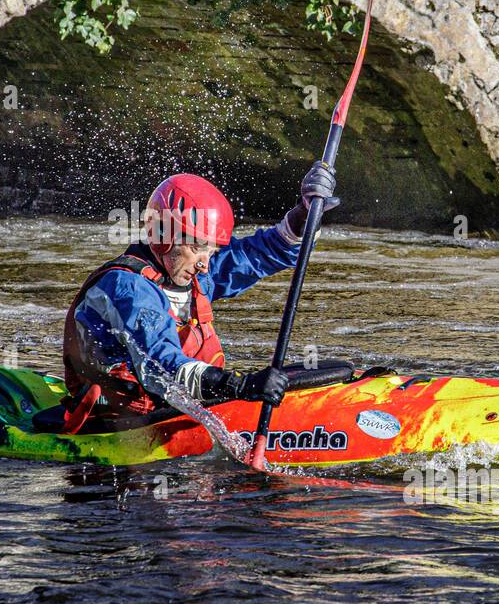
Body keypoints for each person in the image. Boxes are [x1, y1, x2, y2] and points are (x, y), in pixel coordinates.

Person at [61, 163, 340, 426]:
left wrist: (304, 214)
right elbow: (163, 367)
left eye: (212, 251)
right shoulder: (129, 288)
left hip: (173, 407)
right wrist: (240, 386)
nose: (205, 263)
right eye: (197, 248)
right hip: (118, 422)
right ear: (163, 235)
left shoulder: (191, 273)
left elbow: (257, 255)